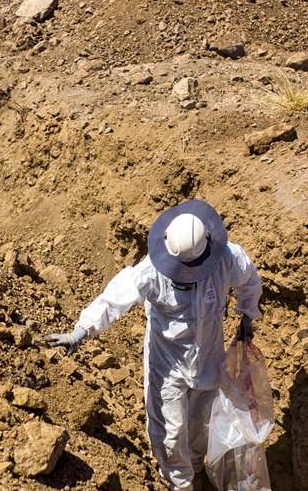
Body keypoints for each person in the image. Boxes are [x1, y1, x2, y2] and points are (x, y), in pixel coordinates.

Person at [46, 199, 262, 491]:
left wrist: (248, 314)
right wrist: (82, 330)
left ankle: (195, 472)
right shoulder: (152, 272)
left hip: (209, 360)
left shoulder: (227, 258)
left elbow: (249, 280)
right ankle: (180, 485)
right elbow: (114, 298)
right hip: (167, 366)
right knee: (171, 435)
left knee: (201, 428)